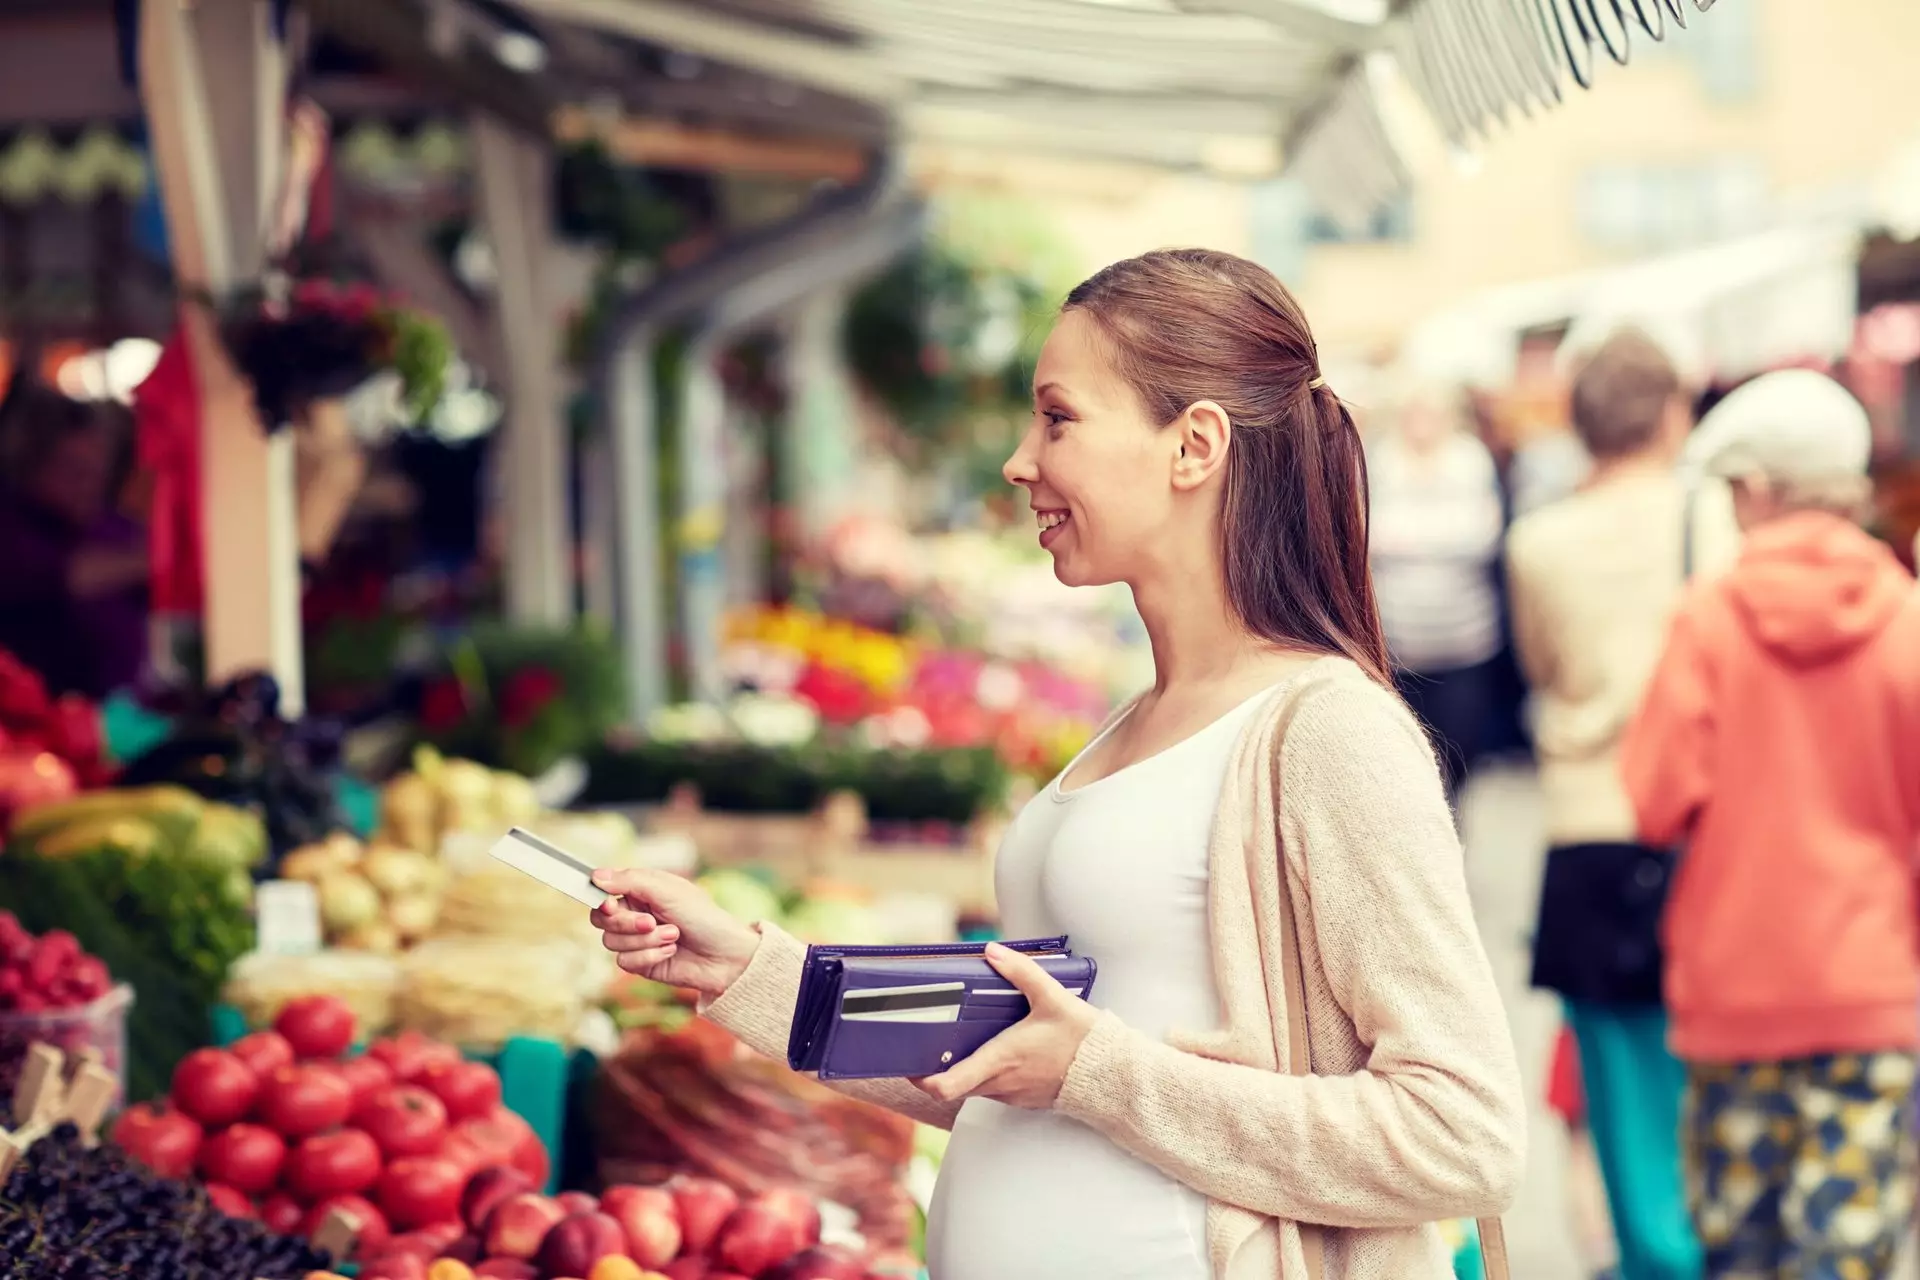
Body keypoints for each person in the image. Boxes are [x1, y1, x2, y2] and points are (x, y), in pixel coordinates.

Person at [592, 249, 1526, 1280]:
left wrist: (1101, 1070)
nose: (1020, 459)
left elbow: (1465, 1131)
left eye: (1058, 418)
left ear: (1195, 445)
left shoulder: (1328, 732)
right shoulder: (1137, 723)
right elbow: (1008, 1057)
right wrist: (752, 970)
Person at [1620, 369, 1920, 1280]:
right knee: (1851, 1256)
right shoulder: (1907, 617)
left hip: (1735, 994)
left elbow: (1655, 799)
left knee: (1742, 1254)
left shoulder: (1706, 620)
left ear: (1754, 490)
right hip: (1871, 989)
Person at [1505, 330, 1706, 1280]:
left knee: (1622, 1101)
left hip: (1586, 830)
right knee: (1709, 1081)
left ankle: (1649, 1260)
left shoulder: (1537, 543)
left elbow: (1542, 670)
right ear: (1672, 414)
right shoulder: (1713, 521)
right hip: (1701, 830)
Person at [1365, 379, 1507, 804]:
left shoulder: (1470, 461)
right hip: (1399, 648)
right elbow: (1366, 533)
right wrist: (1440, 535)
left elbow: (1481, 536)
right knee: (1406, 767)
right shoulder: (1381, 461)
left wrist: (1403, 538)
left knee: (1459, 760)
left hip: (1465, 644)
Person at [0, 383, 149, 698]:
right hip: (34, 725)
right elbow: (60, 575)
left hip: (119, 717)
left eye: (99, 470)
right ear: (33, 466)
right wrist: (147, 560)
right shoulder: (13, 527)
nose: (90, 484)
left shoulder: (112, 525)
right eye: (74, 471)